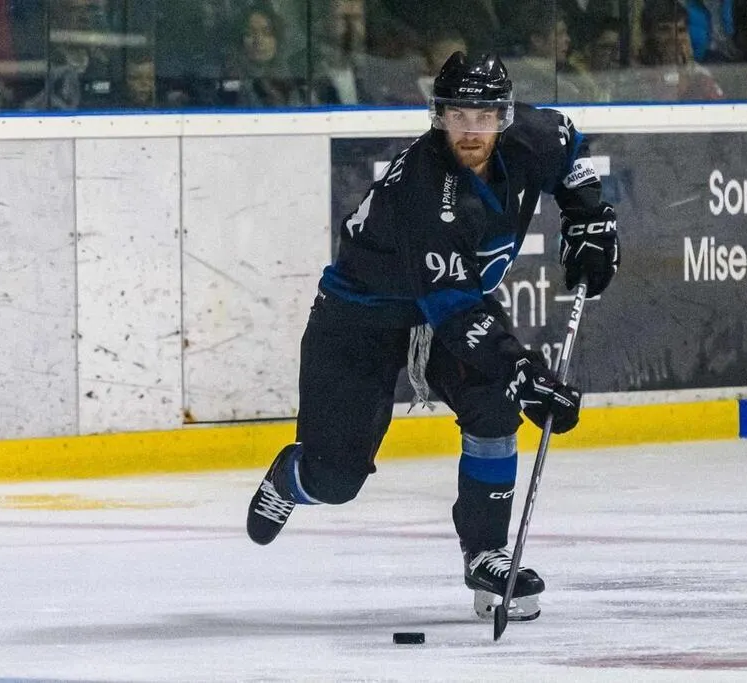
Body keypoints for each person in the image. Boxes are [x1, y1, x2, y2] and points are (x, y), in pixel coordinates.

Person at [246, 52, 621, 621]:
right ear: (437, 116)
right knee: (335, 479)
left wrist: (588, 215)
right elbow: (458, 312)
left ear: (504, 115)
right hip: (360, 320)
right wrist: (524, 372)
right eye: (458, 114)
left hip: (446, 305)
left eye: (485, 115)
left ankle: (486, 554)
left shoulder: (531, 135)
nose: (472, 129)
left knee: (494, 404)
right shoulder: (425, 193)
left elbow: (570, 148)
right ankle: (291, 478)